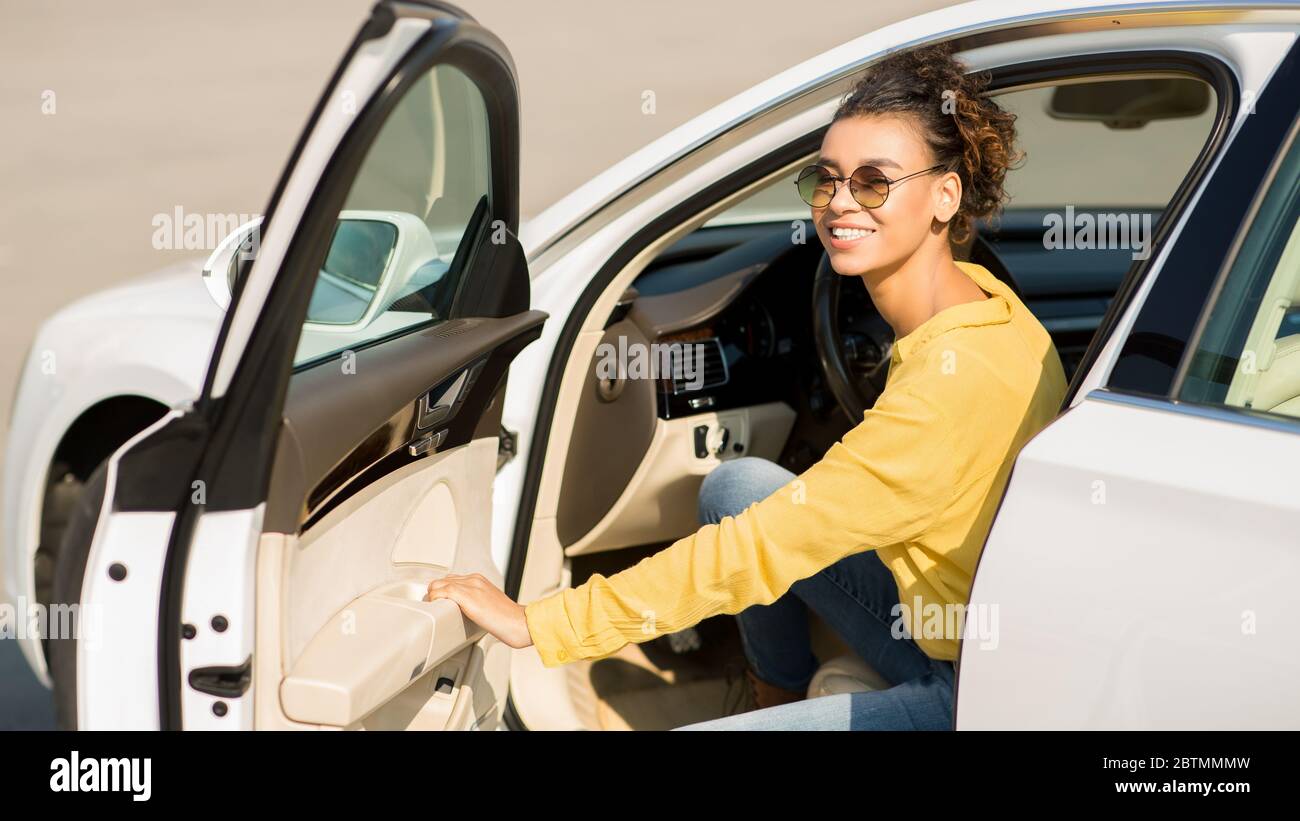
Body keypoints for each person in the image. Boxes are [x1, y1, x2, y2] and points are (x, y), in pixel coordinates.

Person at [424, 43, 1068, 730]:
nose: (840, 203)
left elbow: (759, 548)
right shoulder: (991, 303)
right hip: (963, 617)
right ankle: (776, 699)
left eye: (874, 182)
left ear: (946, 194)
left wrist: (539, 622)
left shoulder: (951, 384)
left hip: (974, 690)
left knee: (754, 536)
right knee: (734, 489)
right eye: (827, 179)